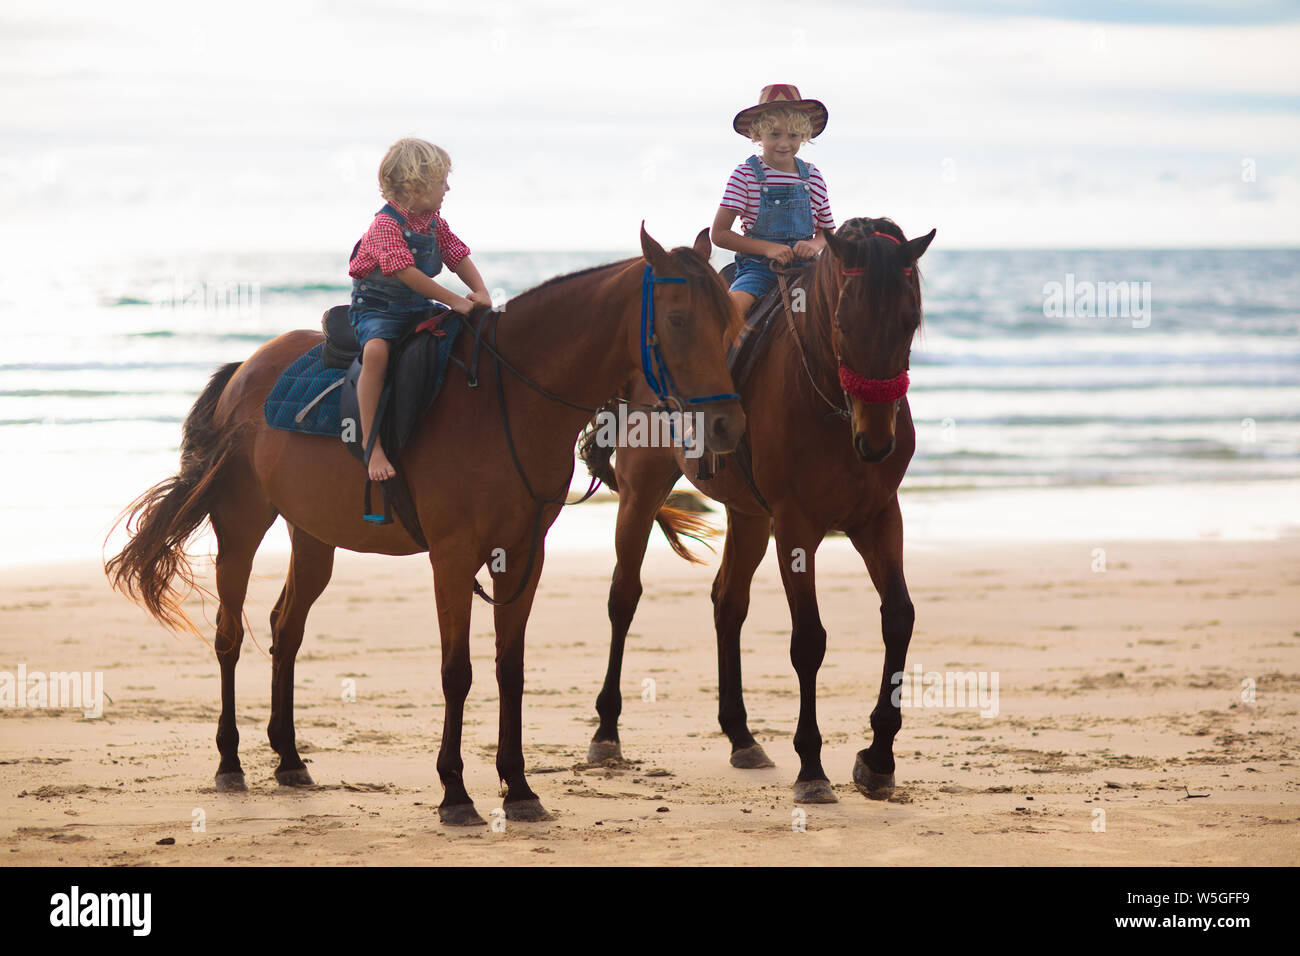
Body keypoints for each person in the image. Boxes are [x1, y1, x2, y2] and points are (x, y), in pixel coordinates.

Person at [348, 137, 492, 481]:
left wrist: (480, 290)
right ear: (415, 186)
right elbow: (405, 272)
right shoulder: (384, 226)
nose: (447, 188)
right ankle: (372, 443)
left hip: (415, 306)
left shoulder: (433, 222)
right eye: (441, 181)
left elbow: (456, 255)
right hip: (377, 309)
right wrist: (454, 300)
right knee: (377, 353)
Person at [709, 85, 836, 317]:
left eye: (793, 135)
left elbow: (827, 232)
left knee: (840, 315)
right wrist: (768, 248)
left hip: (805, 271)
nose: (784, 143)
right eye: (775, 134)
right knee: (731, 316)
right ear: (758, 134)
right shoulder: (745, 175)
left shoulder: (813, 176)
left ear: (803, 135)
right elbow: (719, 234)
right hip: (758, 269)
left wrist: (813, 246)